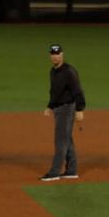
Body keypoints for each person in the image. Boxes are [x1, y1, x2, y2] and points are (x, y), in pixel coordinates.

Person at [42, 44, 85, 181]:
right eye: (53, 54)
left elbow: (77, 91)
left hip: (67, 109)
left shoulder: (69, 71)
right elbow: (55, 92)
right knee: (66, 139)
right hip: (58, 109)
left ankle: (54, 172)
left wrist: (79, 109)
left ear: (62, 55)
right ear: (50, 56)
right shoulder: (53, 71)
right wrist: (50, 106)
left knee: (60, 140)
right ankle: (72, 170)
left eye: (58, 54)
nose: (55, 56)